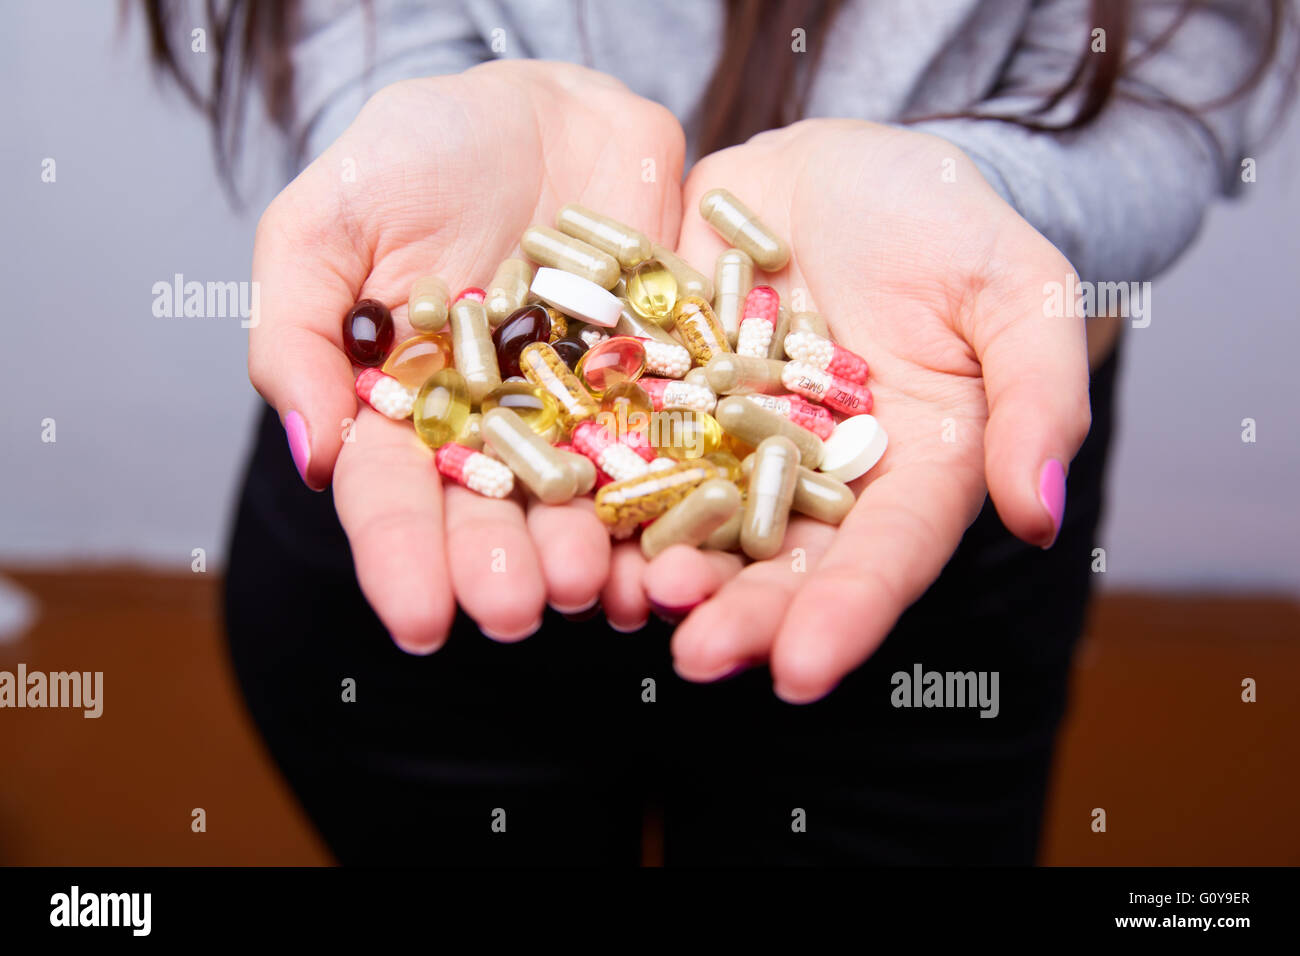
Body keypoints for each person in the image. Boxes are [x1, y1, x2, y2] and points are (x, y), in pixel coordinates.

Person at [146, 0, 1292, 864]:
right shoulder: (521, 365)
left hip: (927, 481)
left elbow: (1172, 90)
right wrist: (408, 118)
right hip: (419, 531)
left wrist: (987, 191)